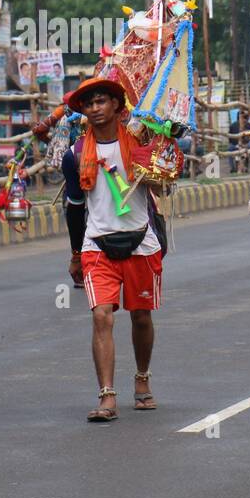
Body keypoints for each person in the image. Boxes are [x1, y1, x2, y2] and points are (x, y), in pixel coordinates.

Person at [60, 77, 170, 422]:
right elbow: (75, 207)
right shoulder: (75, 155)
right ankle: (107, 395)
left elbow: (163, 186)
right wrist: (77, 253)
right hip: (98, 245)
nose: (94, 109)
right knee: (100, 315)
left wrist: (156, 167)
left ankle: (141, 378)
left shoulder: (140, 142)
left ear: (117, 106)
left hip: (141, 241)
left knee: (141, 316)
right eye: (88, 104)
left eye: (100, 101)